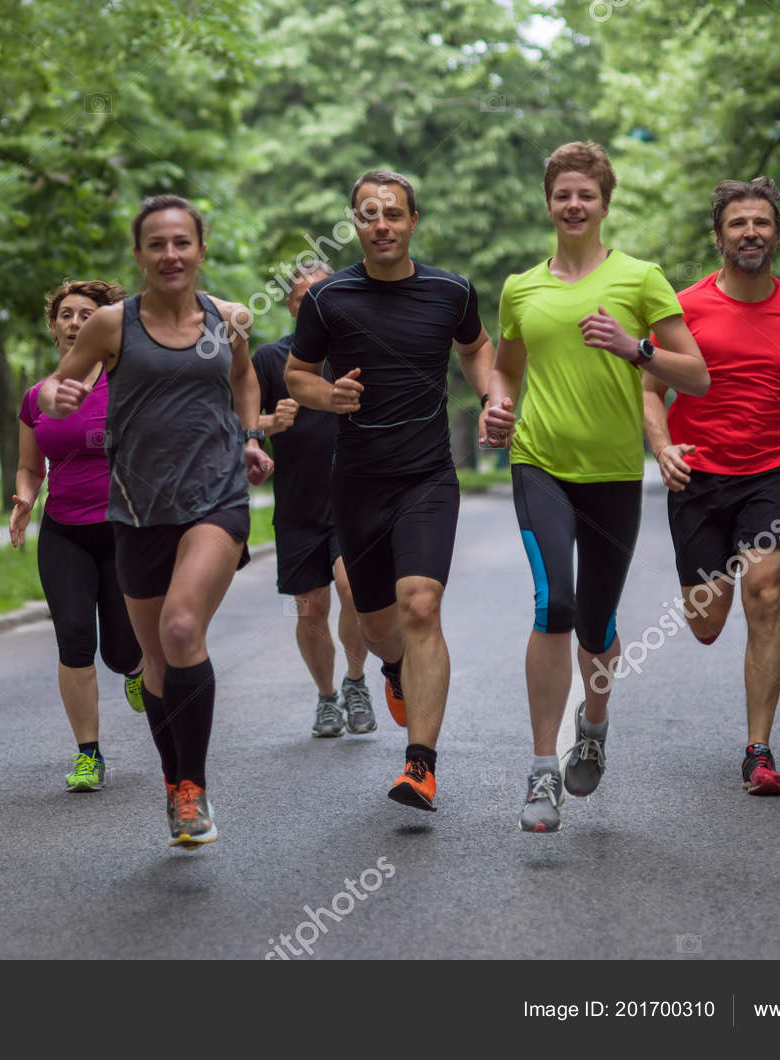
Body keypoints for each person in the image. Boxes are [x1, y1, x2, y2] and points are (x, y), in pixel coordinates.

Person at [484, 141, 710, 834]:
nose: (574, 205)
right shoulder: (521, 288)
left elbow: (696, 374)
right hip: (539, 462)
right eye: (563, 195)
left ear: (604, 203)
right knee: (555, 599)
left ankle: (595, 722)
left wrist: (634, 347)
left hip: (613, 474)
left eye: (586, 195)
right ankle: (542, 769)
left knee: (598, 625)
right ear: (548, 204)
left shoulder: (642, 279)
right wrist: (498, 404)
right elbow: (507, 370)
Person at [39, 195, 273, 848]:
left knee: (179, 627)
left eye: (182, 242)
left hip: (215, 500)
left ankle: (194, 789)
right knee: (157, 666)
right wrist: (61, 398)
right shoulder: (112, 326)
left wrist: (251, 437)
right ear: (140, 255)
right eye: (156, 244)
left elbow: (245, 380)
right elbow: (60, 394)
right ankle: (177, 786)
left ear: (200, 249)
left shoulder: (225, 319)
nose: (170, 254)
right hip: (138, 509)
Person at [285, 170, 493, 812]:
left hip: (427, 476)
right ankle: (395, 671)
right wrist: (329, 395)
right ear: (355, 222)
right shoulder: (329, 300)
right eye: (369, 214)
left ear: (412, 221)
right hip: (358, 482)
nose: (382, 224)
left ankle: (420, 765)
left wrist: (490, 397)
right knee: (377, 628)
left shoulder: (451, 291)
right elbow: (297, 374)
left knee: (421, 606)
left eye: (394, 214)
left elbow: (477, 347)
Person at [642, 177, 780, 796]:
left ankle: (759, 751)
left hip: (769, 472)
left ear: (777, 232)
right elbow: (650, 388)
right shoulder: (685, 308)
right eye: (737, 223)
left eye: (761, 222)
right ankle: (715, 576)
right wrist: (662, 444)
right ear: (719, 235)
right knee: (706, 622)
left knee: (767, 594)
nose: (750, 232)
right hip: (698, 474)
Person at [11, 279, 143, 793]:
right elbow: (29, 466)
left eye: (85, 314)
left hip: (122, 529)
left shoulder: (128, 384)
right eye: (64, 314)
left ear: (103, 326)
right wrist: (24, 498)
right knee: (73, 639)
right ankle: (88, 754)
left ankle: (134, 668)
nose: (73, 322)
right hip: (63, 532)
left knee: (119, 649)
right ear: (53, 327)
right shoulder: (36, 397)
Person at [251, 262, 375, 739]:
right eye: (304, 299)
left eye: (324, 296)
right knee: (311, 609)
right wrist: (265, 427)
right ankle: (327, 697)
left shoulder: (360, 354)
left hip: (354, 503)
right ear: (291, 306)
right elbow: (237, 424)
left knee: (353, 591)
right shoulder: (268, 360)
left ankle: (356, 681)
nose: (315, 305)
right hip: (298, 506)